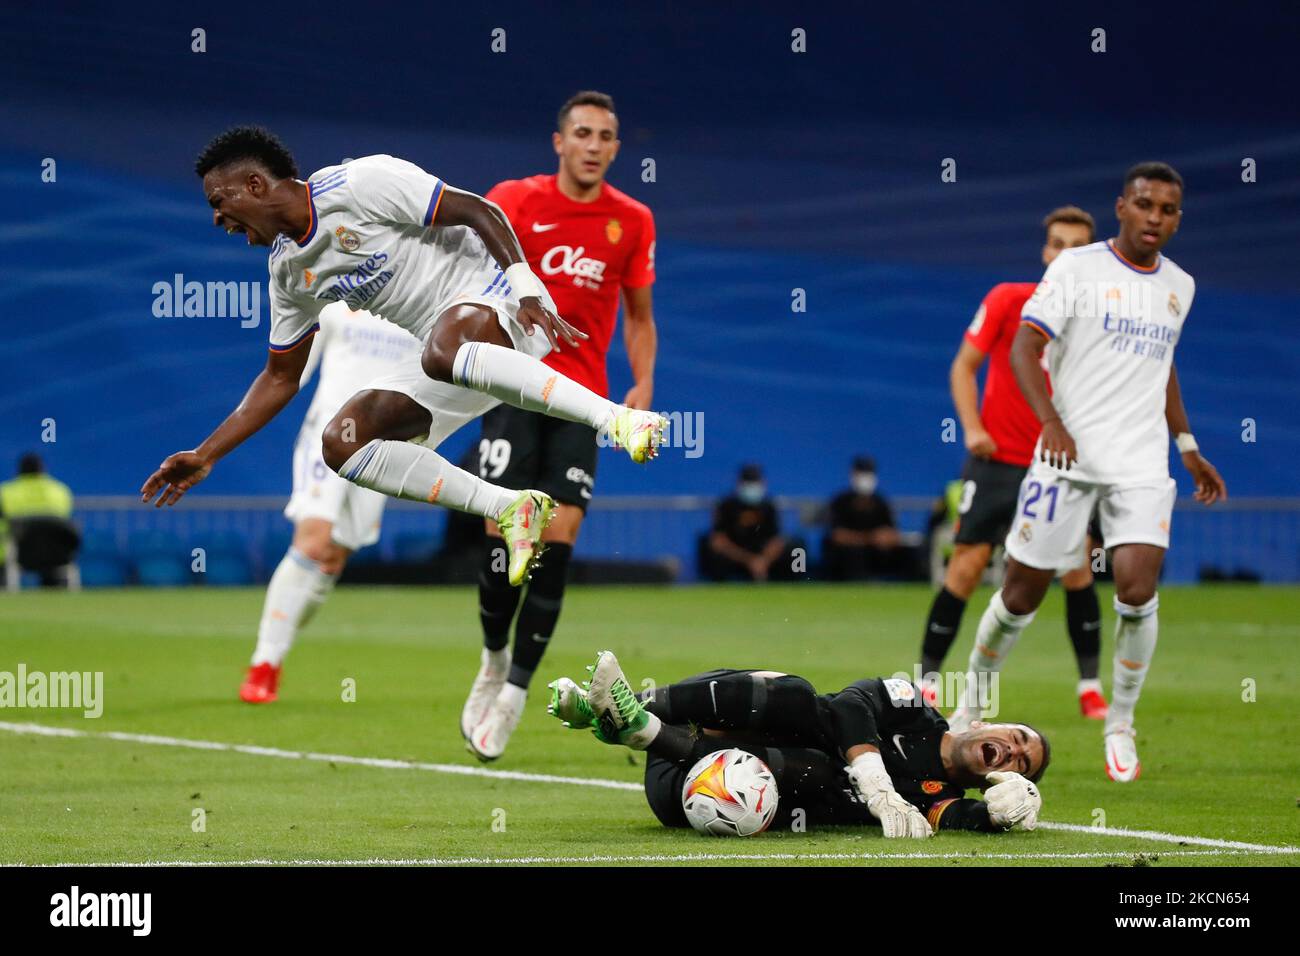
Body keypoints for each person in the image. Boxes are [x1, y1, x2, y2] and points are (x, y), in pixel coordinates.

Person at [140, 126, 667, 592]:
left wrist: (526, 287)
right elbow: (281, 377)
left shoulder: (359, 183)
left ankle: (619, 419)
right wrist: (207, 453)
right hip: (451, 355)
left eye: (219, 199)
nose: (216, 217)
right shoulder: (287, 272)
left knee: (444, 348)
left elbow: (479, 210)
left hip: (503, 303)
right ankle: (509, 506)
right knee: (343, 441)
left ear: (255, 184)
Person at [948, 163, 1228, 783]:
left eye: (1169, 209)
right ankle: (973, 703)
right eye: (1146, 205)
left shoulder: (1179, 285)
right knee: (1020, 595)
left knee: (1135, 587)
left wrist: (1186, 444)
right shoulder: (1075, 270)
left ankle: (1120, 721)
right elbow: (1025, 346)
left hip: (1140, 463)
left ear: (1178, 218)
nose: (1157, 217)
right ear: (1123, 207)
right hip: (1065, 460)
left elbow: (1164, 368)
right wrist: (1050, 421)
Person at [460, 91, 659, 760]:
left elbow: (638, 316)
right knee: (502, 527)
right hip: (511, 386)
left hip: (581, 398)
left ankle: (516, 688)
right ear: (559, 142)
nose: (595, 144)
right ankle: (492, 656)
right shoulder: (514, 200)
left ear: (615, 147)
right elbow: (466, 276)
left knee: (558, 531)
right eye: (583, 132)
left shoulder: (631, 221)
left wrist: (642, 387)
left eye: (606, 134)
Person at [920, 206, 1109, 719]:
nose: (1065, 255)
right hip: (998, 460)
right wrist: (973, 427)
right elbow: (963, 365)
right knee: (966, 565)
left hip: (1059, 465)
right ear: (1045, 251)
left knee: (1076, 569)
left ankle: (1090, 686)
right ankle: (928, 681)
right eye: (1057, 244)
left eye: (1078, 247)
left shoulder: (1099, 318)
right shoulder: (1009, 299)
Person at [549, 651, 1046, 837]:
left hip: (710, 795)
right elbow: (851, 705)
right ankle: (625, 709)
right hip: (696, 737)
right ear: (990, 723)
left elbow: (959, 819)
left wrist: (998, 817)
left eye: (1024, 763)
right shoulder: (913, 706)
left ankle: (633, 725)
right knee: (798, 695)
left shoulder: (942, 797)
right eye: (1020, 737)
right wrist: (877, 786)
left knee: (817, 770)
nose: (1015, 750)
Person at [240, 302, 423, 703]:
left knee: (333, 557)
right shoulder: (335, 298)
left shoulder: (419, 300)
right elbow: (291, 372)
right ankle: (265, 664)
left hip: (384, 444)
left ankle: (280, 642)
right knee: (312, 540)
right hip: (328, 433)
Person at [822, 456, 921, 580]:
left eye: (869, 473)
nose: (865, 478)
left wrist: (885, 538)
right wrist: (868, 538)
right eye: (862, 472)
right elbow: (837, 535)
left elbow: (893, 533)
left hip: (875, 552)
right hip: (849, 554)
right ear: (853, 474)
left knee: (906, 553)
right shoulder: (841, 502)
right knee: (853, 553)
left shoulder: (880, 502)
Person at [700, 465, 803, 582]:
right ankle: (717, 585)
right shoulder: (726, 506)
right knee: (712, 551)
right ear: (739, 483)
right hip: (735, 556)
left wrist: (763, 560)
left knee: (797, 549)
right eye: (749, 482)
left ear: (763, 483)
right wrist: (749, 560)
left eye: (755, 482)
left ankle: (795, 583)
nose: (752, 487)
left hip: (764, 556)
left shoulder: (769, 506)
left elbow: (777, 540)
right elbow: (718, 541)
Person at [0, 453, 77, 587]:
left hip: (19, 554)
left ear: (19, 471)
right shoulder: (60, 490)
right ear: (43, 469)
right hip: (57, 555)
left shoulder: (6, 492)